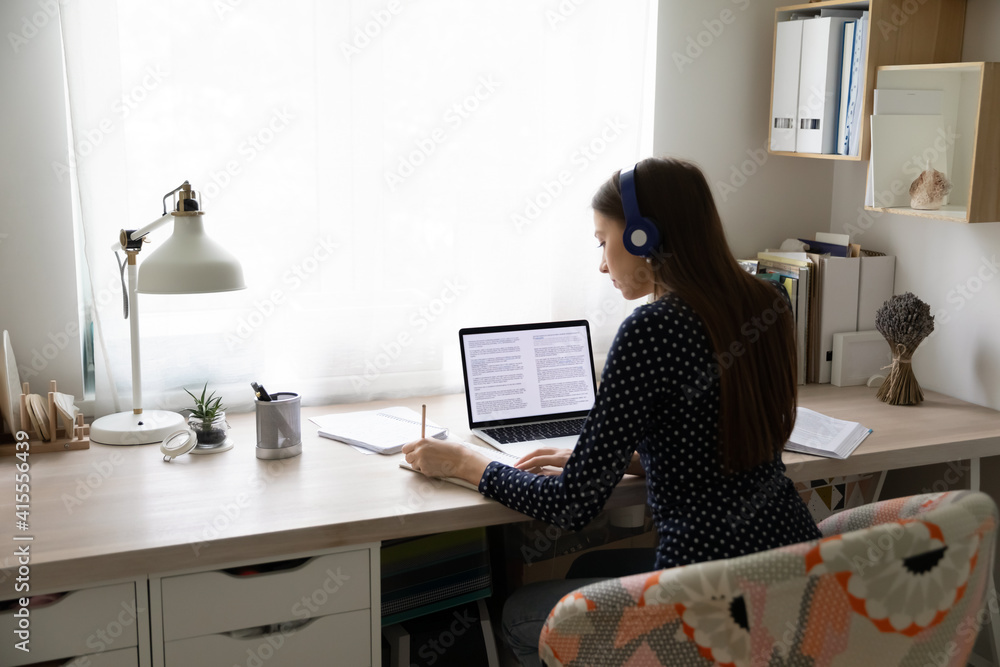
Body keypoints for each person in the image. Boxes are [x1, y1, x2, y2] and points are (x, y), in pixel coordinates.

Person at [401, 157, 822, 665]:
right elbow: (724, 450)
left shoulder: (651, 329)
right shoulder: (767, 304)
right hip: (794, 575)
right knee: (594, 566)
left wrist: (464, 463)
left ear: (644, 236)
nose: (602, 263)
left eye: (604, 241)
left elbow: (570, 507)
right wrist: (613, 459)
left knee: (520, 613)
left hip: (703, 598)